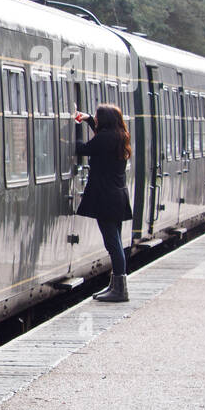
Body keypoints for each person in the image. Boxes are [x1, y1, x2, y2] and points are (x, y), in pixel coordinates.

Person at [74, 103, 133, 302]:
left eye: (98, 118)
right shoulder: (119, 136)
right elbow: (99, 137)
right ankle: (116, 285)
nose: (96, 122)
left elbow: (81, 148)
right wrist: (89, 119)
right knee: (114, 241)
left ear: (105, 121)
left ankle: (120, 290)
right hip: (117, 196)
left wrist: (76, 126)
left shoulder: (106, 138)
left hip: (106, 198)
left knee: (113, 244)